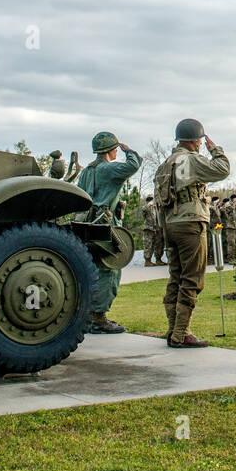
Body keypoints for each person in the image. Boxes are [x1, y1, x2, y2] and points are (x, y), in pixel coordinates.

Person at [154, 118, 230, 348]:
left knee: (175, 277)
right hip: (191, 222)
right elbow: (223, 170)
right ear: (195, 141)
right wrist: (215, 149)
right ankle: (181, 334)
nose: (200, 144)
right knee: (192, 278)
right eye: (199, 140)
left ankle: (173, 330)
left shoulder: (166, 163)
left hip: (170, 223)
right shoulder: (191, 160)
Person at [76, 132, 142, 334]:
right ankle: (99, 317)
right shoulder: (109, 169)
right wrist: (128, 150)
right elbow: (134, 165)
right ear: (111, 150)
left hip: (88, 223)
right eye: (115, 149)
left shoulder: (87, 170)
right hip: (106, 224)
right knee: (110, 269)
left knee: (92, 268)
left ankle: (87, 315)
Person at [141, 194, 166, 266]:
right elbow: (143, 209)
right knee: (148, 244)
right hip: (149, 228)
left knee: (159, 243)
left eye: (152, 199)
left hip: (157, 228)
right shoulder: (146, 207)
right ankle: (147, 261)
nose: (152, 201)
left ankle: (158, 259)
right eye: (150, 200)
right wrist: (149, 204)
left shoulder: (156, 207)